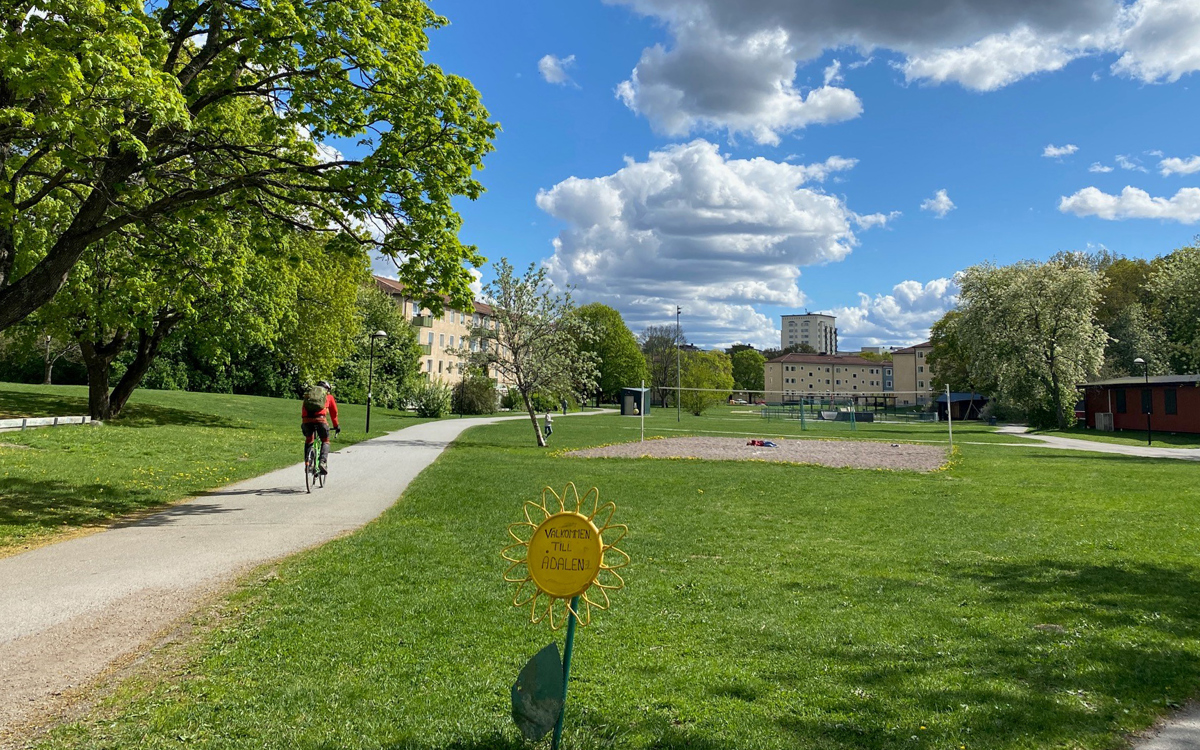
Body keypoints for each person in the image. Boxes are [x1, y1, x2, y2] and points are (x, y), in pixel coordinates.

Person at [302, 380, 340, 474]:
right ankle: (322, 462)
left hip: (306, 420)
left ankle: (308, 463)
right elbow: (334, 413)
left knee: (309, 440)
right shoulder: (329, 397)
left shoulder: (309, 396)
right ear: (327, 389)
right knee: (325, 441)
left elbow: (303, 409)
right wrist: (336, 426)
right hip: (321, 420)